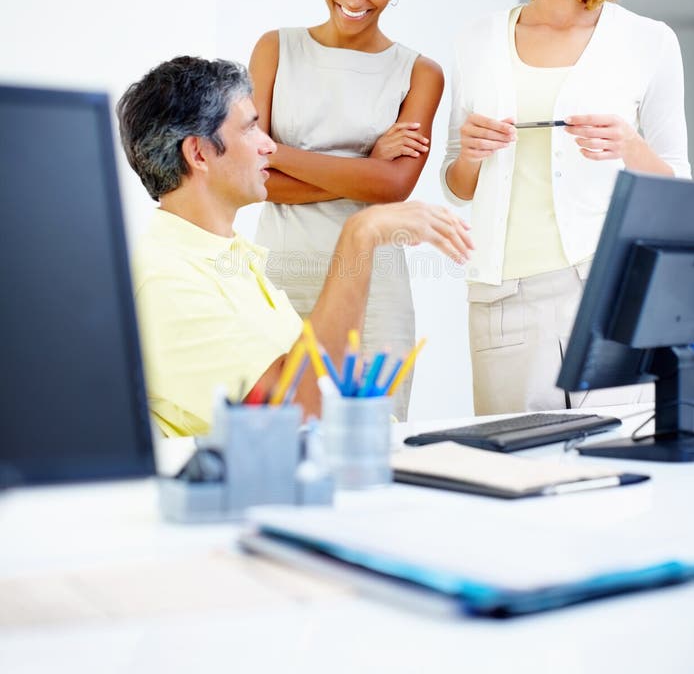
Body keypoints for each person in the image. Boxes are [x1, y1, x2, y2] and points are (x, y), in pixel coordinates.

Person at [441, 0, 690, 416]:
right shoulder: (476, 41)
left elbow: (680, 181)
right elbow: (458, 185)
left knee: (618, 468)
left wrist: (629, 146)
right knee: (518, 476)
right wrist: (472, 154)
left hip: (610, 289)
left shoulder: (647, 42)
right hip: (506, 297)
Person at [117, 56, 472, 437]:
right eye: (251, 129)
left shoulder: (227, 259)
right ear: (199, 153)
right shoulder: (166, 280)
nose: (268, 145)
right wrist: (360, 234)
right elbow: (297, 415)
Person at [249, 0, 443, 420]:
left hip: (373, 282)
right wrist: (367, 170)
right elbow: (254, 178)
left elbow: (395, 188)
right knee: (276, 431)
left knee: (370, 437)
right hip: (283, 274)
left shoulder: (419, 73)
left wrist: (282, 154)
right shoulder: (276, 49)